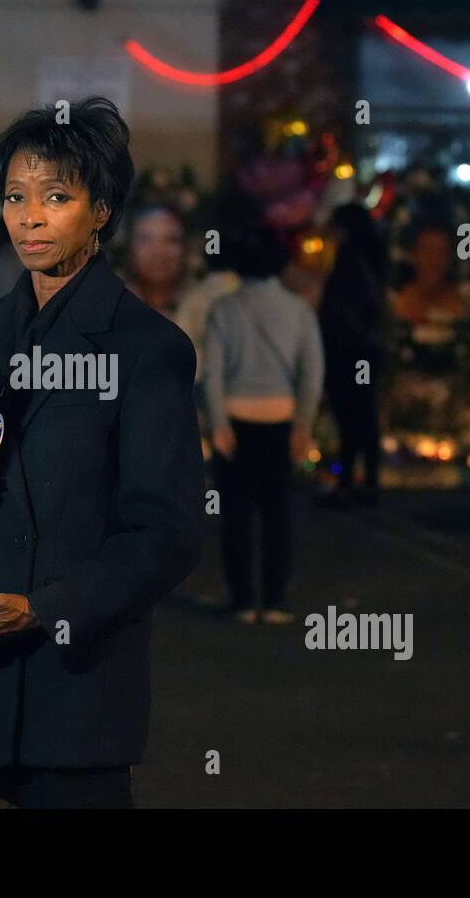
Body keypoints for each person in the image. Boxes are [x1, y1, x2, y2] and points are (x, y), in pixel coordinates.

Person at [0, 97, 203, 809]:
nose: (29, 217)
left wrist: (48, 607)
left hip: (71, 687)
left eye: (55, 197)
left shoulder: (146, 348)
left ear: (101, 211)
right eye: (14, 196)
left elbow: (166, 534)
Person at [203, 203, 324, 625]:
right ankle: (274, 600)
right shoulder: (299, 311)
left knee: (235, 518)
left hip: (235, 422)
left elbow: (212, 374)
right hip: (281, 421)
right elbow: (312, 372)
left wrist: (217, 424)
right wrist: (304, 426)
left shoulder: (223, 310)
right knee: (278, 516)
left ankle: (241, 600)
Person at [319, 202, 389, 505]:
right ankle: (368, 478)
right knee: (364, 411)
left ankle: (348, 479)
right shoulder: (374, 257)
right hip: (367, 348)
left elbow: (341, 304)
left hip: (347, 348)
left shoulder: (350, 259)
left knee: (349, 413)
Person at [123, 205, 188, 318]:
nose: (158, 252)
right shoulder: (109, 304)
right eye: (145, 240)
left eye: (171, 240)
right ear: (129, 249)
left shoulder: (204, 306)